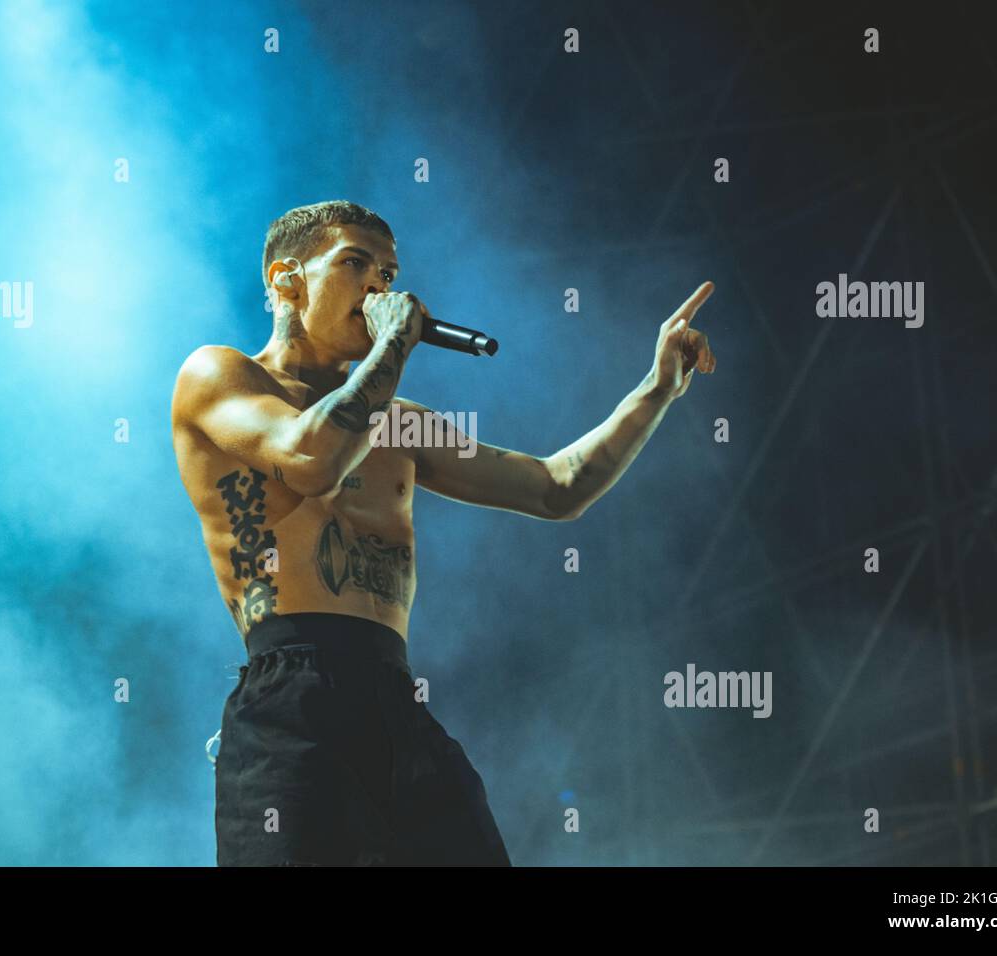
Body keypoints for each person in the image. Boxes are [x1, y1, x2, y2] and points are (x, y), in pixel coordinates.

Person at [171, 200, 716, 865]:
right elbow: (309, 459)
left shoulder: (398, 422)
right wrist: (395, 345)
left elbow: (555, 488)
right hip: (291, 705)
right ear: (288, 280)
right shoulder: (220, 375)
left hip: (394, 701)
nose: (381, 286)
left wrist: (656, 390)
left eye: (390, 272)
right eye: (355, 263)